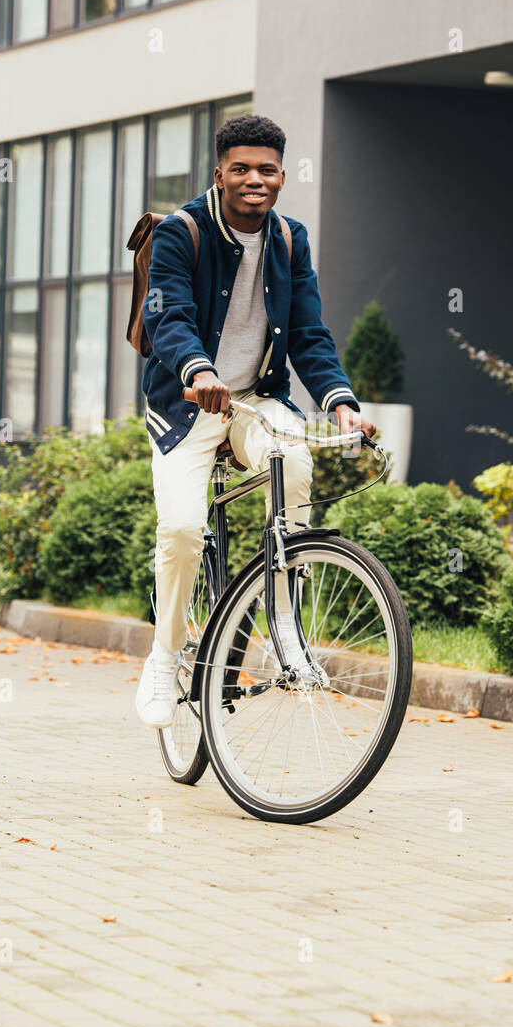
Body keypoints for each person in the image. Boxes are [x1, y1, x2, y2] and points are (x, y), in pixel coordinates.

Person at [135, 113, 376, 728]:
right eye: (240, 169)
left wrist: (340, 400)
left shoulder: (290, 240)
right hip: (187, 405)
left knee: (293, 458)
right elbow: (168, 316)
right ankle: (163, 658)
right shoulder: (182, 233)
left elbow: (308, 334)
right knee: (185, 531)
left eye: (266, 170)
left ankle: (285, 623)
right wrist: (197, 370)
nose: (254, 179)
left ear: (282, 176)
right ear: (219, 174)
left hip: (255, 401)